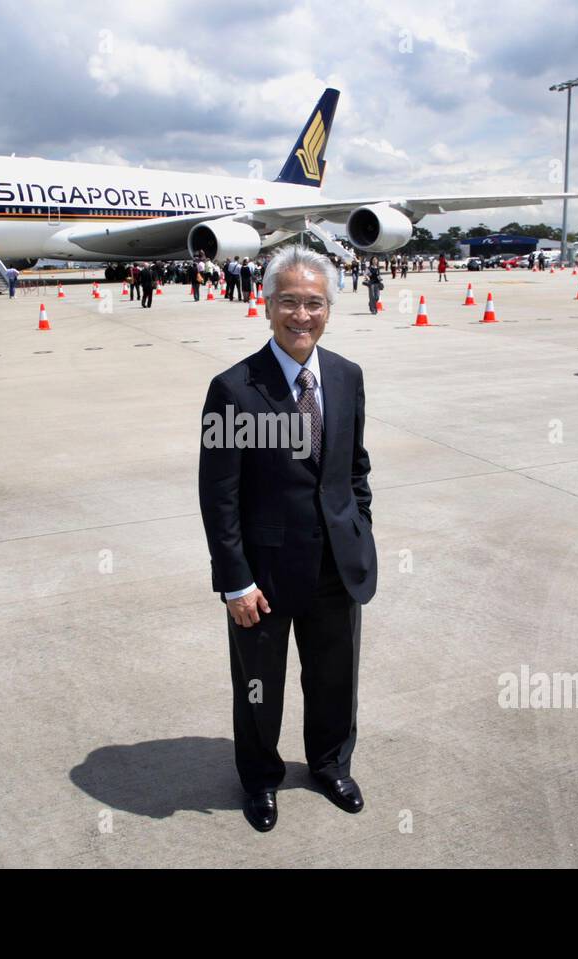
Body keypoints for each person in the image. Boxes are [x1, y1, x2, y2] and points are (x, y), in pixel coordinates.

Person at [198, 245, 377, 833]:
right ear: (267, 304)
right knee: (259, 687)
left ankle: (330, 764)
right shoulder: (234, 389)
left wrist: (359, 532)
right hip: (265, 575)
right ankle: (259, 778)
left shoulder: (347, 377)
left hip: (335, 567)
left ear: (330, 309)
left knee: (334, 677)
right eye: (290, 303)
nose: (302, 316)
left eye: (314, 304)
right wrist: (235, 581)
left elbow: (355, 468)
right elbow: (218, 496)